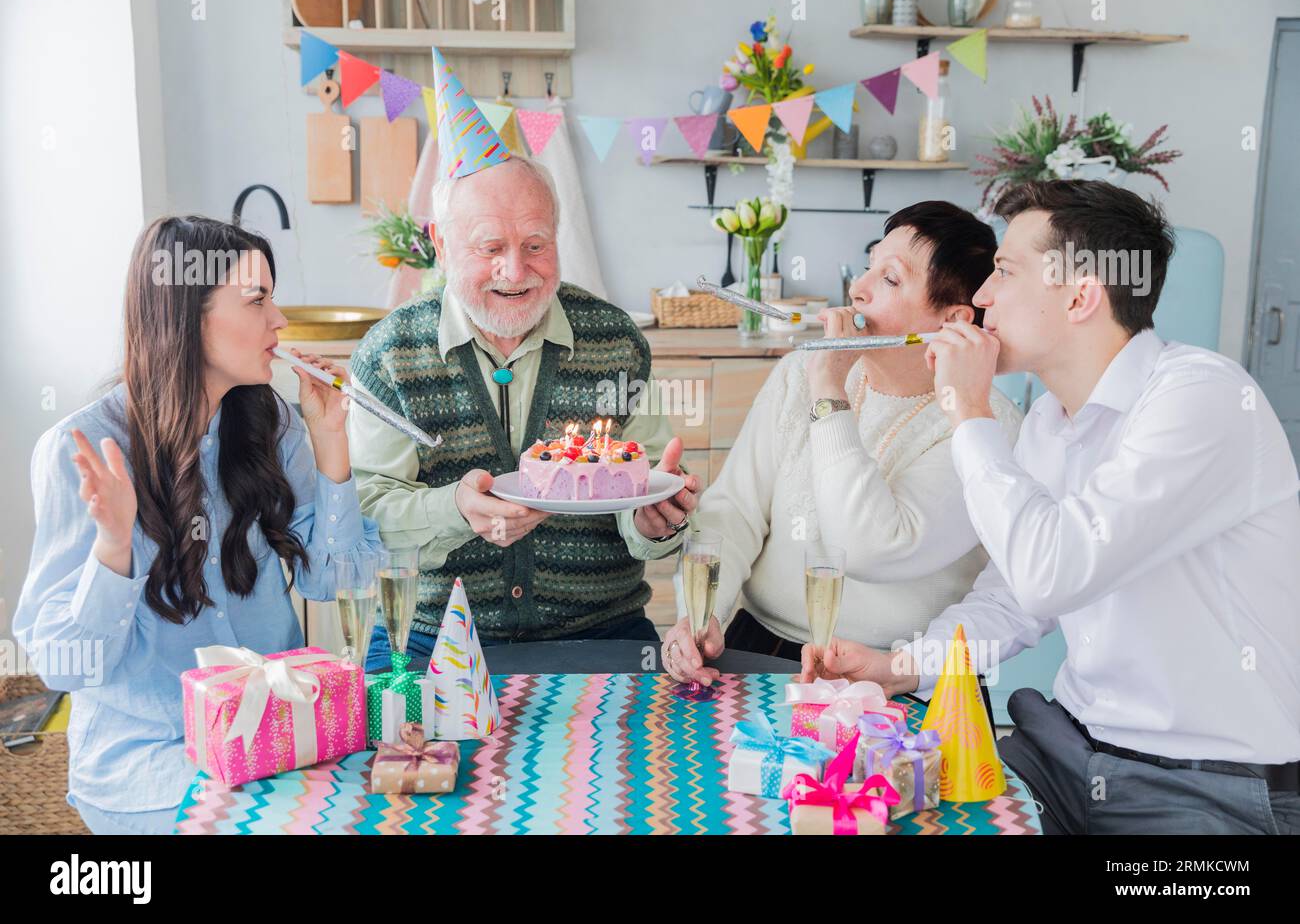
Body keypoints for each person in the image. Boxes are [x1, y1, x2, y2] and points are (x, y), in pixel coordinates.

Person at [800, 180, 1300, 834]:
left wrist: (969, 410)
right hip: (1067, 748)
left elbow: (1052, 572)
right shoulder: (1049, 422)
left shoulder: (1198, 400)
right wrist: (897, 666)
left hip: (1206, 786)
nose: (980, 297)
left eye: (1004, 272)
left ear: (1081, 296)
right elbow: (1013, 597)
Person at [14, 216, 382, 834]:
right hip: (154, 759)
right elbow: (62, 664)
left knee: (410, 797)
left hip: (278, 741)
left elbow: (337, 583)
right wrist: (113, 546)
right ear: (188, 316)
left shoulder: (277, 426)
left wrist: (331, 443)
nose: (280, 321)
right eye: (257, 299)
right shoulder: (82, 449)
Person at [352, 155, 701, 671]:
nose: (515, 272)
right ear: (442, 246)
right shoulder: (390, 355)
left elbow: (644, 490)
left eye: (535, 246)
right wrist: (456, 510)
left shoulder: (615, 341)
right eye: (491, 248)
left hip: (601, 631)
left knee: (651, 747)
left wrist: (653, 523)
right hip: (430, 633)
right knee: (385, 745)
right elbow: (365, 522)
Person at [662, 202, 1020, 689]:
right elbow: (734, 510)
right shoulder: (797, 372)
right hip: (757, 646)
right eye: (870, 264)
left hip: (899, 676)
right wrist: (703, 614)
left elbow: (871, 548)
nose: (858, 288)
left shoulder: (983, 422)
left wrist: (828, 393)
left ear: (952, 320)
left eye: (890, 279)